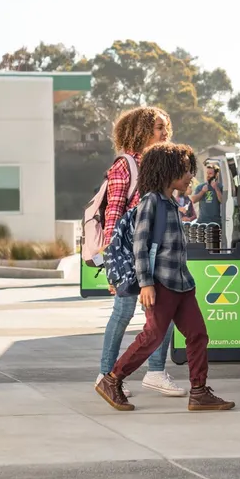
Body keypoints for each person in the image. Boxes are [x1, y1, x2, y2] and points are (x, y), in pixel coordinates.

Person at [95, 142, 235, 412]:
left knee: (197, 335)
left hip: (182, 284)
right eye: (186, 171)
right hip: (161, 285)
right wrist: (146, 283)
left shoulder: (171, 203)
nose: (190, 177)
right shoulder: (151, 202)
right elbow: (140, 245)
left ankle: (199, 392)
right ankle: (112, 380)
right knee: (152, 336)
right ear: (169, 171)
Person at [96, 106, 186, 399]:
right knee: (123, 312)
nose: (164, 133)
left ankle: (156, 372)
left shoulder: (160, 164)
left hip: (160, 250)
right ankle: (105, 374)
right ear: (141, 130)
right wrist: (112, 262)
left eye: (165, 128)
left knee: (164, 313)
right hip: (131, 249)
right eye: (158, 128)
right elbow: (113, 213)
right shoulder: (125, 165)